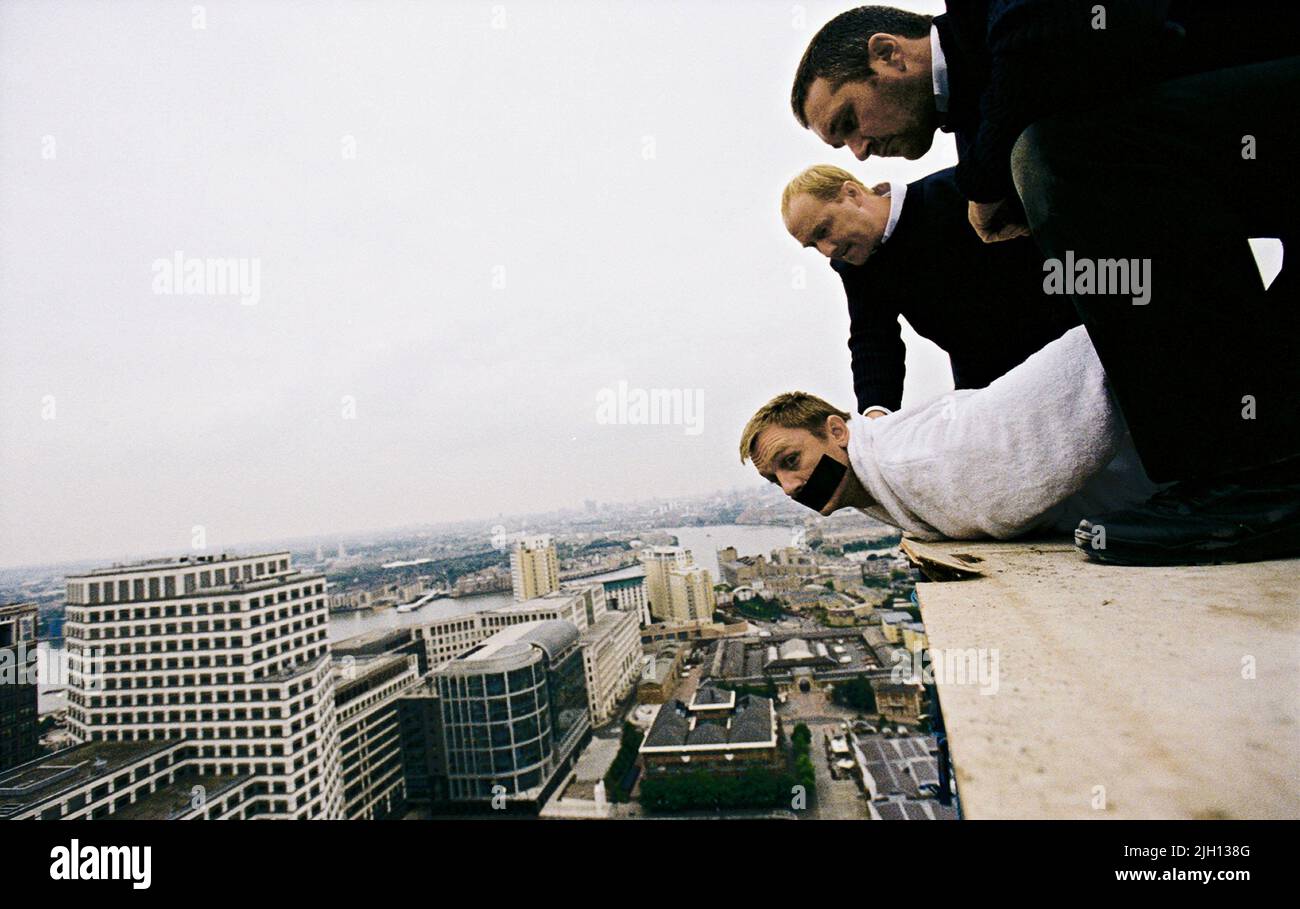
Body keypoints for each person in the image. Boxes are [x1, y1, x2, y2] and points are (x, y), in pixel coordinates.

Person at [787, 3, 1300, 564]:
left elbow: (1042, 32)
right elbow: (874, 340)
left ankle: (1247, 474)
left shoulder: (983, 44)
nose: (859, 148)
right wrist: (877, 422)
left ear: (889, 54)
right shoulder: (880, 246)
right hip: (1007, 370)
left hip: (1084, 336)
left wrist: (985, 187)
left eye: (847, 123)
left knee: (1056, 157)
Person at [739, 326, 1157, 543]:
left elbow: (1058, 387)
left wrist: (1118, 336)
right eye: (774, 479)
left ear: (836, 431)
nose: (791, 488)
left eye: (790, 461)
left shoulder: (918, 459)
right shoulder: (885, 474)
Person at [782, 163, 1078, 415]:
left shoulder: (955, 191)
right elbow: (872, 339)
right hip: (994, 390)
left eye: (824, 231)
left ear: (852, 194)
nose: (826, 250)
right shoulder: (856, 267)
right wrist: (876, 415)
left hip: (1079, 347)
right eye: (813, 245)